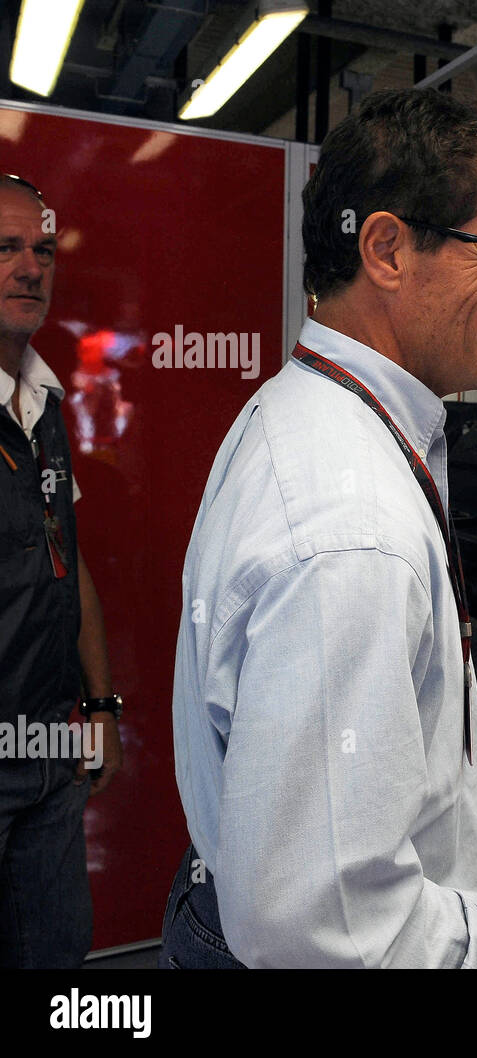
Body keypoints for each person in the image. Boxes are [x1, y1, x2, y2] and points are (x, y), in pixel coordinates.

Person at [163, 90, 477, 968]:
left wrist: (441, 718)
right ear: (385, 248)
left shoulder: (309, 413)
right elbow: (319, 923)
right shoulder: (353, 531)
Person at [0, 174, 124, 968]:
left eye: (42, 250)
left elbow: (65, 558)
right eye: (5, 249)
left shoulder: (43, 402)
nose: (29, 268)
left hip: (49, 749)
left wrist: (103, 705)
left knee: (56, 967)